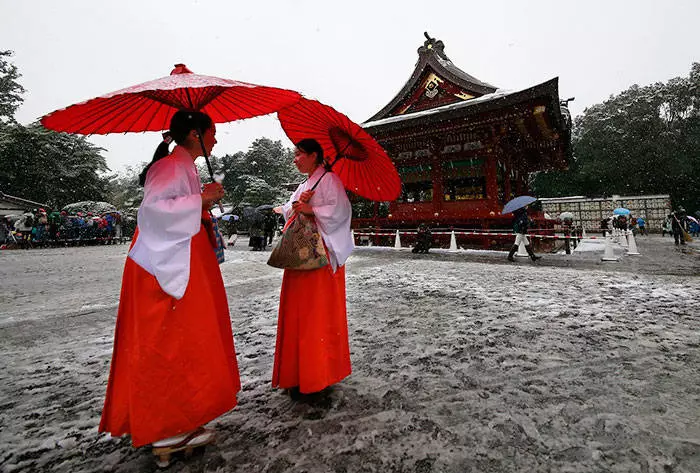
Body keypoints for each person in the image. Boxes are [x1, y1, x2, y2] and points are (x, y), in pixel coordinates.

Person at [99, 111, 241, 464]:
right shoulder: (168, 168)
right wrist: (202, 201)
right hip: (165, 264)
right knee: (169, 338)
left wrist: (203, 202)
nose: (216, 140)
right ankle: (169, 426)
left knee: (185, 337)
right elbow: (154, 213)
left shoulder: (182, 166)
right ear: (195, 134)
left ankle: (181, 416)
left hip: (182, 256)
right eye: (212, 132)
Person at [272, 138, 353, 399]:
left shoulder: (329, 180)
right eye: (295, 154)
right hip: (301, 256)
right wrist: (294, 207)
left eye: (300, 154)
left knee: (314, 315)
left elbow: (341, 212)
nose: (295, 159)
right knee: (300, 314)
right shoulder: (306, 183)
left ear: (315, 155)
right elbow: (293, 209)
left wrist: (312, 209)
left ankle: (317, 375)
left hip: (319, 255)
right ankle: (298, 373)